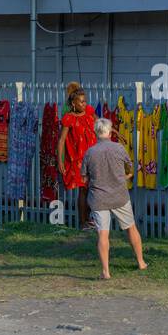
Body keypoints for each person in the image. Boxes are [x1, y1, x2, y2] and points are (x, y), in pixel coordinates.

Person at [80, 118, 147, 279]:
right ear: (110, 132)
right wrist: (125, 176)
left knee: (103, 234)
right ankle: (141, 262)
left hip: (98, 198)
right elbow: (130, 168)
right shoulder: (119, 148)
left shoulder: (90, 152)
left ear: (96, 132)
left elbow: (83, 179)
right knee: (131, 228)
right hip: (119, 196)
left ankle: (106, 272)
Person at [57, 83, 97, 229]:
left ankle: (90, 219)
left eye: (85, 101)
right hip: (79, 160)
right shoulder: (69, 119)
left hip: (93, 157)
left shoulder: (89, 112)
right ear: (73, 103)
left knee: (93, 188)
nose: (84, 103)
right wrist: (60, 160)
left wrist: (114, 132)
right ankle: (83, 222)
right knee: (83, 190)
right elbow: (61, 140)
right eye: (81, 101)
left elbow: (100, 125)